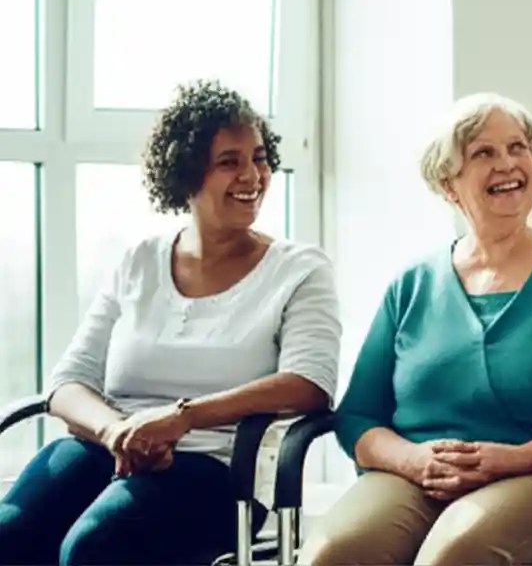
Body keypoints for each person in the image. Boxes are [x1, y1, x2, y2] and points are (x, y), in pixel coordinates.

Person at [301, 93, 532, 566]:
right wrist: (415, 461)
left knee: (456, 555)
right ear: (448, 184)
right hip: (416, 474)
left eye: (518, 148)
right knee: (332, 553)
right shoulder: (412, 284)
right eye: (483, 153)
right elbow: (358, 419)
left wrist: (509, 459)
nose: (507, 164)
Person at [0, 80, 342, 565]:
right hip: (109, 446)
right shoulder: (139, 260)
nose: (253, 175)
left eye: (260, 157)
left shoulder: (299, 269)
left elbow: (309, 385)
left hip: (218, 467)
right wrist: (119, 432)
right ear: (187, 173)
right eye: (230, 161)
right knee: (9, 534)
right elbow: (67, 383)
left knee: (93, 547)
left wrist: (180, 419)